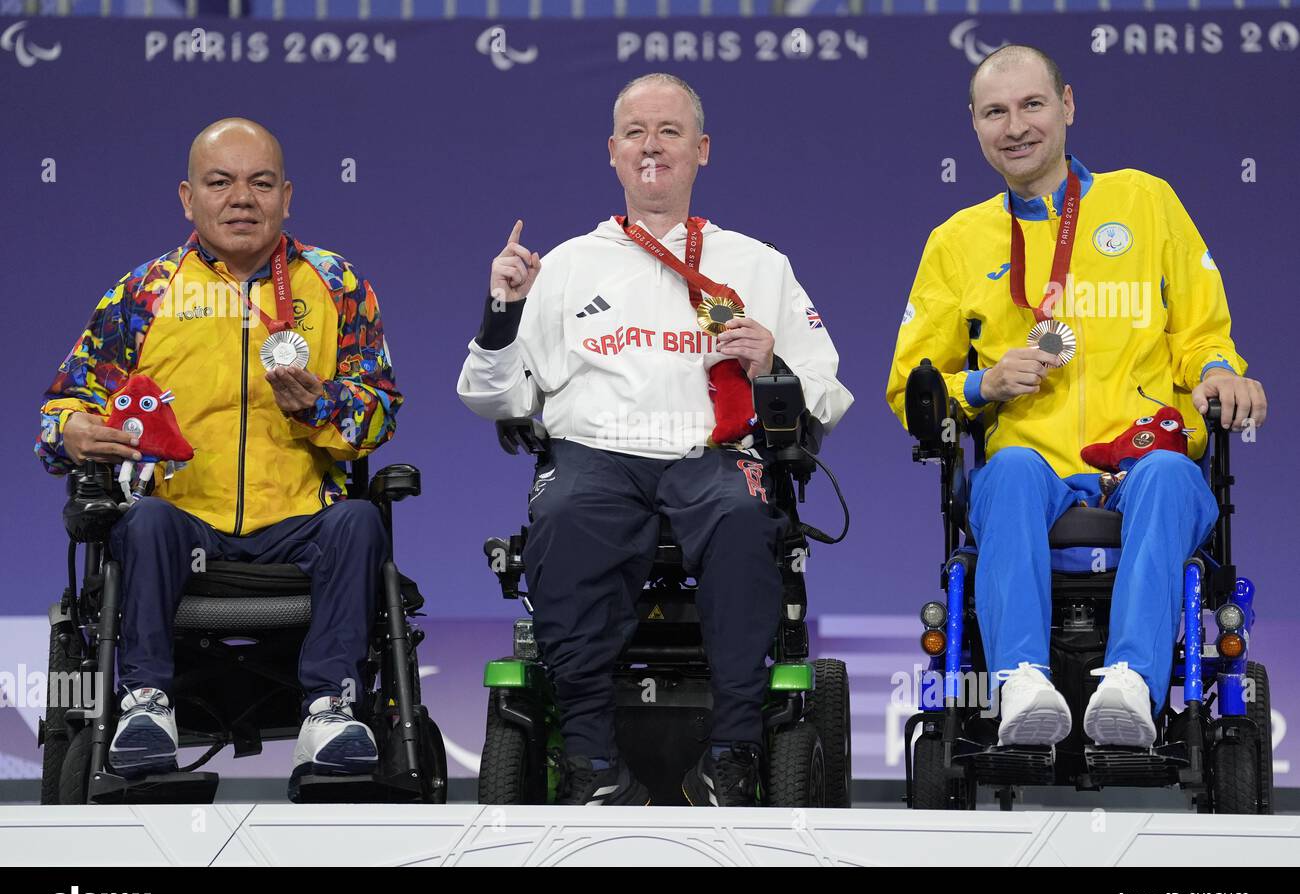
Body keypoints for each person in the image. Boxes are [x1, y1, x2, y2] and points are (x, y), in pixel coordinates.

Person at [458, 73, 853, 806]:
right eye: (636, 132)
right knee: (566, 515)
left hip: (713, 455)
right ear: (612, 151)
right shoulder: (566, 266)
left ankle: (733, 751)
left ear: (701, 150)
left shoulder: (759, 265)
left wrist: (774, 362)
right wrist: (502, 310)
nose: (651, 145)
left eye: (669, 131)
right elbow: (493, 394)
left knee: (744, 520)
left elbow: (827, 391)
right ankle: (589, 758)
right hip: (595, 454)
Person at [886, 46, 1267, 748]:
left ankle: (1129, 682)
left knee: (1169, 474)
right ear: (973, 125)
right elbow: (913, 386)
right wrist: (982, 382)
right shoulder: (957, 241)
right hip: (1032, 469)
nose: (1016, 126)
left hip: (1141, 460)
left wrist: (1219, 370)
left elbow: (1202, 331)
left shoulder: (1146, 202)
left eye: (1032, 105)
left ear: (1067, 105)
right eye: (995, 112)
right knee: (1005, 475)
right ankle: (1022, 682)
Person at [36, 118, 402, 791]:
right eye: (220, 182)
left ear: (286, 196)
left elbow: (380, 414)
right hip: (184, 523)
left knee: (359, 520)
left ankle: (330, 710)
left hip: (300, 523)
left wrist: (319, 405)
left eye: (260, 183)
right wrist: (73, 432)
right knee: (140, 521)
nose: (242, 198)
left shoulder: (336, 284)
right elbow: (61, 408)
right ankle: (145, 705)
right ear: (187, 197)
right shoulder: (143, 294)